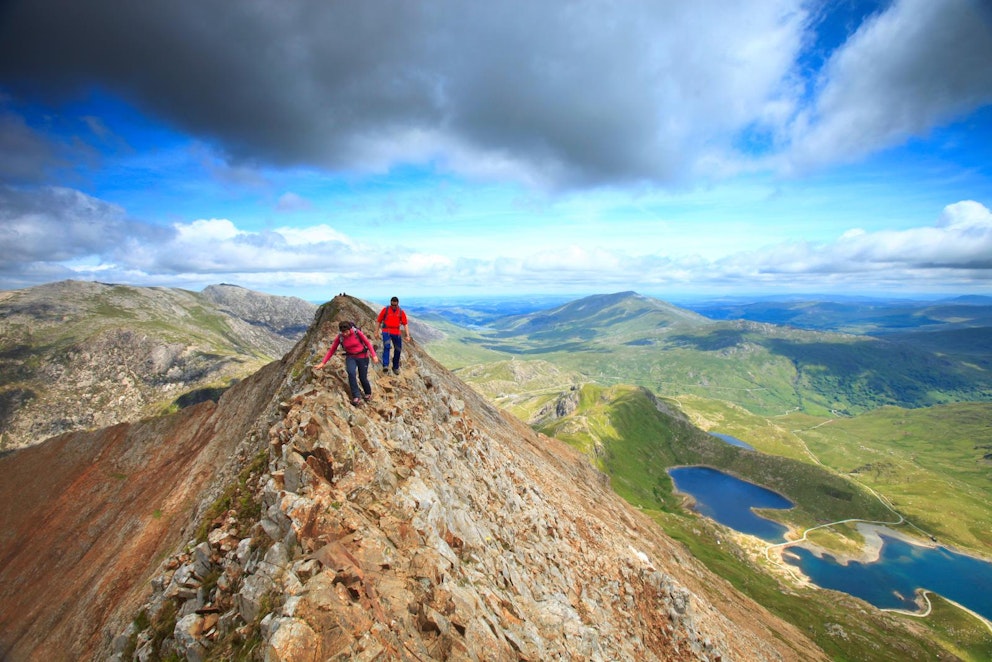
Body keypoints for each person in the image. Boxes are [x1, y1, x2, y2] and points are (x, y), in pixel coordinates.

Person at [316, 321, 379, 405]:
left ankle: (368, 393)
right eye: (343, 332)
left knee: (362, 377)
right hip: (351, 357)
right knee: (351, 373)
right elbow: (332, 350)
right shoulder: (340, 337)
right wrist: (323, 363)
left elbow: (367, 343)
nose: (345, 334)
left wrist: (374, 355)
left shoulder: (357, 333)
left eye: (346, 332)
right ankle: (356, 396)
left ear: (350, 329)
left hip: (362, 357)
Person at [376, 296, 411, 375]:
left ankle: (395, 367)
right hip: (386, 331)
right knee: (387, 347)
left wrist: (407, 335)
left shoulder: (401, 312)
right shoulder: (386, 310)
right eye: (392, 305)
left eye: (395, 305)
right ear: (390, 303)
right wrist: (376, 332)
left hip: (396, 332)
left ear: (398, 304)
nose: (394, 306)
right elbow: (378, 321)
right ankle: (385, 365)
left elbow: (405, 324)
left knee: (398, 349)